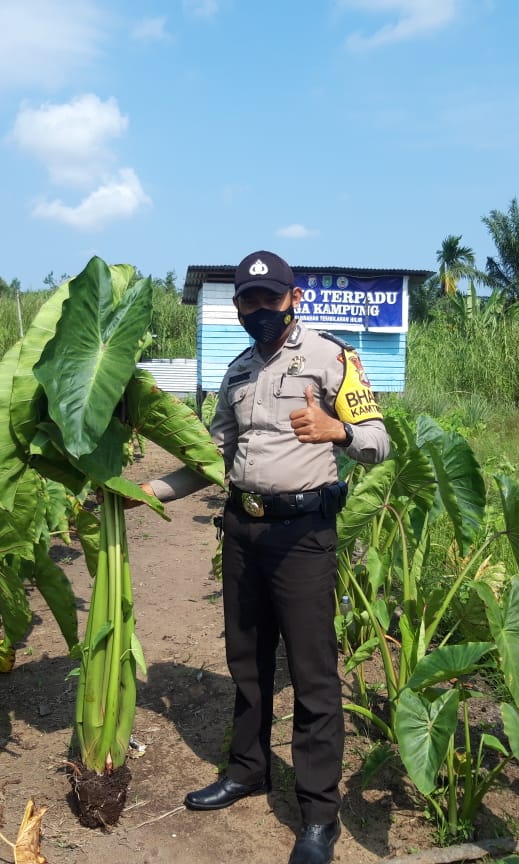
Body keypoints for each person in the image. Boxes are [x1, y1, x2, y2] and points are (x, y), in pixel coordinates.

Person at [140, 250, 390, 864]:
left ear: (293, 299)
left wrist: (339, 431)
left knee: (312, 675)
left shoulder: (333, 359)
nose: (259, 311)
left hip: (303, 535)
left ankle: (317, 816)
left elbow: (378, 443)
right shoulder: (236, 373)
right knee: (246, 663)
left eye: (270, 299)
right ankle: (248, 769)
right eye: (248, 301)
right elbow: (210, 459)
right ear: (237, 306)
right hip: (244, 532)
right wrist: (143, 494)